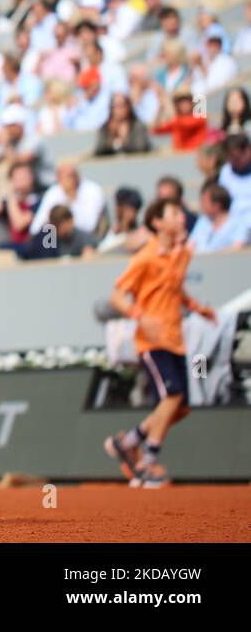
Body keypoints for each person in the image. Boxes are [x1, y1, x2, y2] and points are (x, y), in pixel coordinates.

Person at [104, 198, 217, 488]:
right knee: (172, 397)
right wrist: (140, 317)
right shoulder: (145, 257)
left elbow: (176, 289)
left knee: (180, 408)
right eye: (175, 213)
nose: (182, 218)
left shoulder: (181, 255)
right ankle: (146, 464)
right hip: (151, 341)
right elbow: (117, 296)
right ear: (157, 222)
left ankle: (128, 441)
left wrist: (196, 307)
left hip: (175, 340)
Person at [189, 181, 245, 253]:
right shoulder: (203, 221)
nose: (201, 204)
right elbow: (190, 246)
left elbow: (237, 248)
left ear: (217, 205)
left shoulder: (239, 223)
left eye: (204, 201)